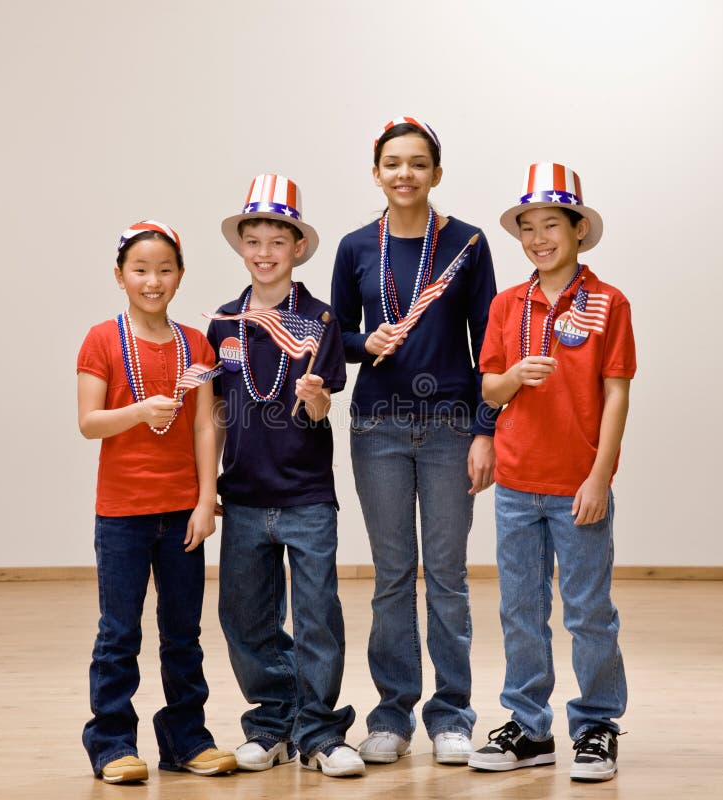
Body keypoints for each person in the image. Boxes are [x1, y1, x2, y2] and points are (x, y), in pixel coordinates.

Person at [331, 117, 497, 765]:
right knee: (394, 577)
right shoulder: (353, 247)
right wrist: (361, 342)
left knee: (449, 577)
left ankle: (452, 714)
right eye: (393, 163)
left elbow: (491, 343)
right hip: (378, 427)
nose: (405, 173)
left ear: (436, 172)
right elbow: (335, 336)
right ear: (377, 172)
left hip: (453, 427)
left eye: (418, 163)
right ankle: (392, 715)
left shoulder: (468, 243)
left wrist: (486, 429)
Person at [470, 163, 635, 782]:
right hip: (515, 484)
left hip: (576, 486)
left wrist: (599, 478)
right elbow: (488, 388)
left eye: (551, 225)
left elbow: (616, 395)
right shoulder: (507, 305)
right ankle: (529, 727)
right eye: (528, 228)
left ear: (577, 230)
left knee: (588, 609)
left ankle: (595, 726)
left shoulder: (607, 303)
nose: (539, 238)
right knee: (520, 609)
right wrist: (513, 379)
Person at [208, 174, 364, 779]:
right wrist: (207, 490)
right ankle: (274, 721)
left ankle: (321, 730)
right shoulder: (221, 323)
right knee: (246, 616)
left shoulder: (319, 319)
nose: (266, 253)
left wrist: (315, 399)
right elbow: (215, 416)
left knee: (318, 611)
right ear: (242, 247)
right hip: (243, 497)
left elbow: (324, 405)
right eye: (255, 241)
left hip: (304, 496)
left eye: (279, 241)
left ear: (298, 248)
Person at [77, 220, 235, 784]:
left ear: (181, 276)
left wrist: (205, 499)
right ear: (120, 276)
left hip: (180, 513)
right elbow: (89, 422)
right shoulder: (102, 339)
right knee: (119, 632)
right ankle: (112, 741)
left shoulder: (196, 343)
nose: (153, 280)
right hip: (121, 514)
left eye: (164, 270)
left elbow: (203, 428)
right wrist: (140, 412)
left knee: (182, 631)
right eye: (141, 270)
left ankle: (185, 737)